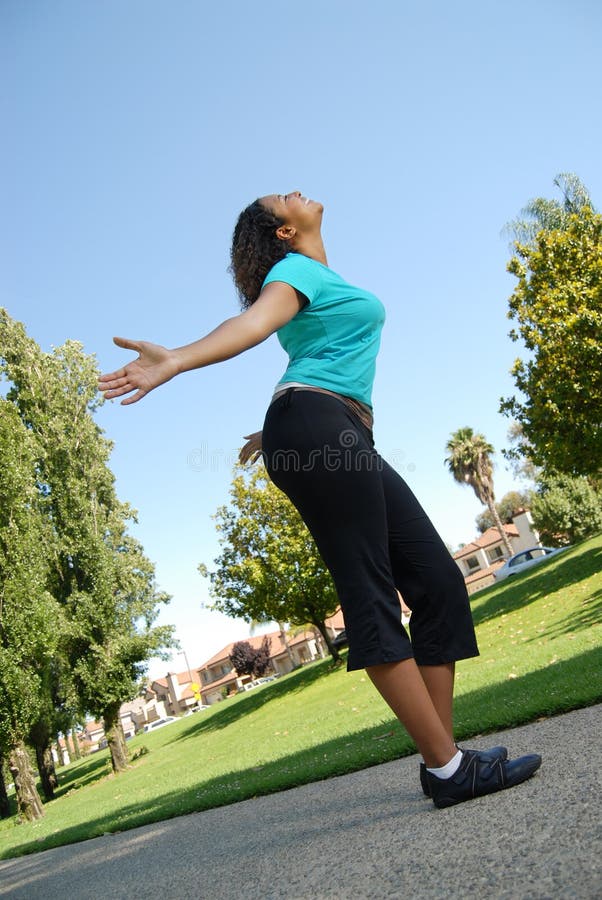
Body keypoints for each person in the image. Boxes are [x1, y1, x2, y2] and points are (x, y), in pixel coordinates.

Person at [98, 190, 541, 808]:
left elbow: (311, 353)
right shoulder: (293, 271)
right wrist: (175, 359)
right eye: (282, 198)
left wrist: (279, 428)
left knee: (438, 581)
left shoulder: (316, 277)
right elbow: (251, 325)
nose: (297, 193)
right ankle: (449, 768)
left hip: (328, 424)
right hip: (318, 421)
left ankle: (446, 761)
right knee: (372, 592)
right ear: (282, 232)